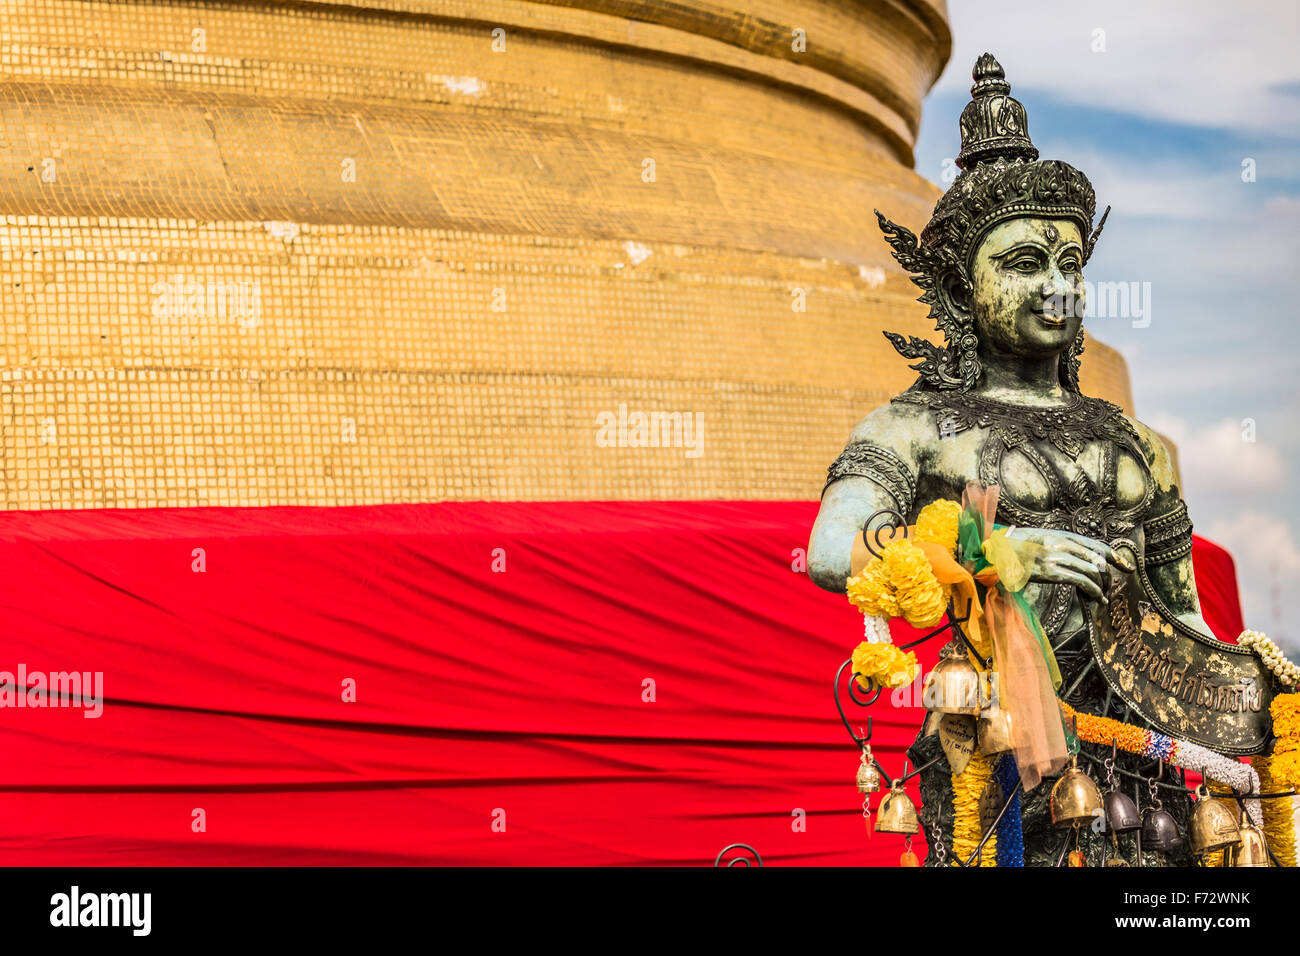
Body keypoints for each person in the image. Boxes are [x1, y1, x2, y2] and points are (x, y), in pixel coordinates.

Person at [808, 54, 1209, 865]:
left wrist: (1256, 687)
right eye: (1026, 265)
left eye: (1071, 266)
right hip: (990, 753)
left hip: (1142, 766)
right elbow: (827, 549)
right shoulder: (914, 428)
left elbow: (1184, 617)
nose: (1058, 288)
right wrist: (992, 556)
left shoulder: (1134, 444)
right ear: (960, 294)